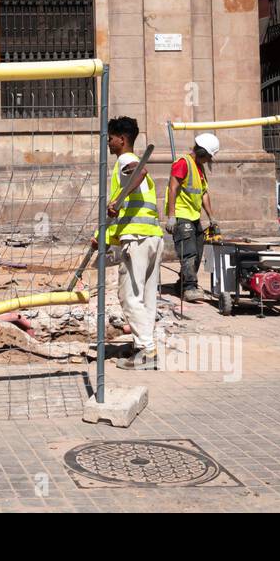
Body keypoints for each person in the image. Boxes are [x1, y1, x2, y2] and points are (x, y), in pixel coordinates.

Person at [104, 116, 164, 371]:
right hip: (152, 236)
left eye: (110, 138)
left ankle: (148, 351)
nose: (108, 143)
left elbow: (138, 173)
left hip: (137, 239)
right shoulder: (127, 162)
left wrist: (117, 200)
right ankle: (143, 345)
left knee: (128, 295)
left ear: (122, 139)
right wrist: (104, 238)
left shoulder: (126, 160)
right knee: (146, 297)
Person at [164, 132, 220, 302]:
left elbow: (203, 193)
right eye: (208, 157)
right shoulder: (183, 163)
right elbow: (173, 188)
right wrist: (172, 216)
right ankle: (189, 288)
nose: (208, 161)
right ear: (202, 152)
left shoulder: (199, 168)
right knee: (188, 253)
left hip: (194, 216)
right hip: (181, 216)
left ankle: (183, 283)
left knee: (197, 251)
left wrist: (211, 217)